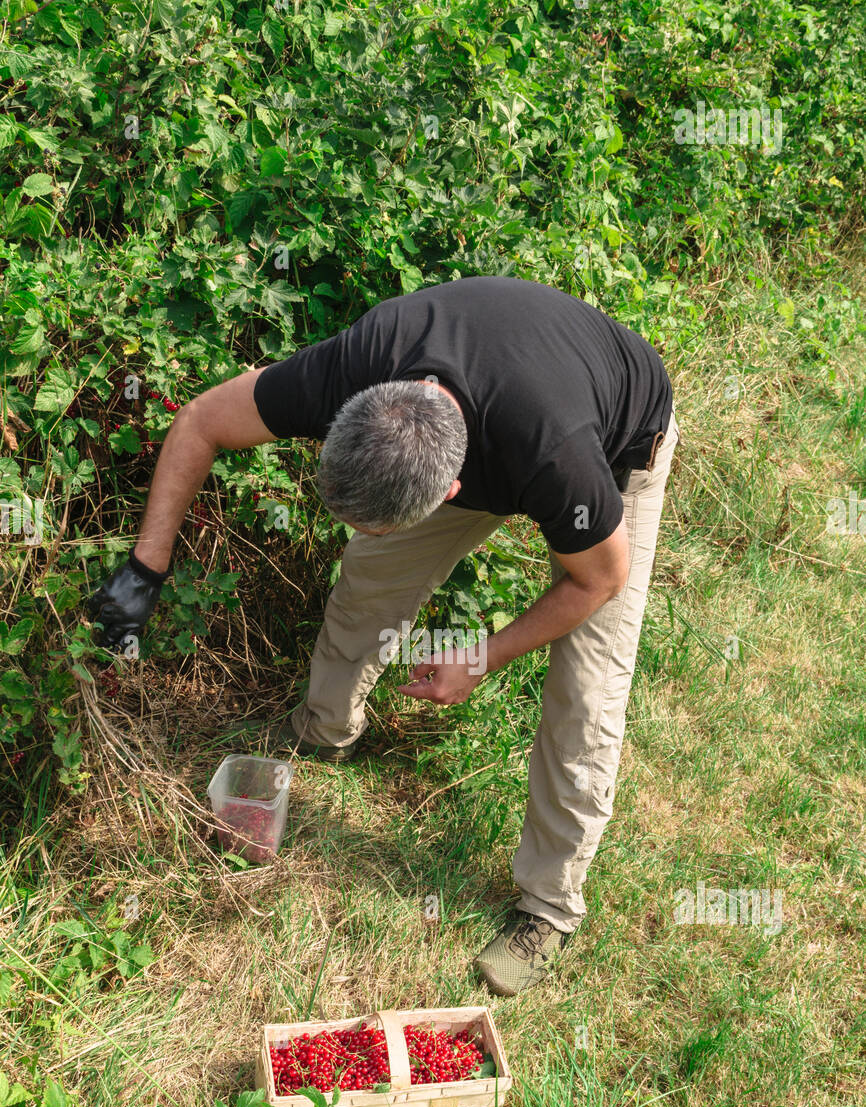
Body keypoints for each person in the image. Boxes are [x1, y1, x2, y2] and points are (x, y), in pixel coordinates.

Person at [88, 275, 680, 996]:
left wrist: (481, 656)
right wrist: (141, 573)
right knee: (369, 579)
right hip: (485, 402)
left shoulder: (557, 456)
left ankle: (548, 906)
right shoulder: (360, 362)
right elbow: (203, 421)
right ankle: (323, 729)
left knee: (587, 690)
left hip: (619, 445)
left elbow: (597, 581)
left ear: (449, 493)